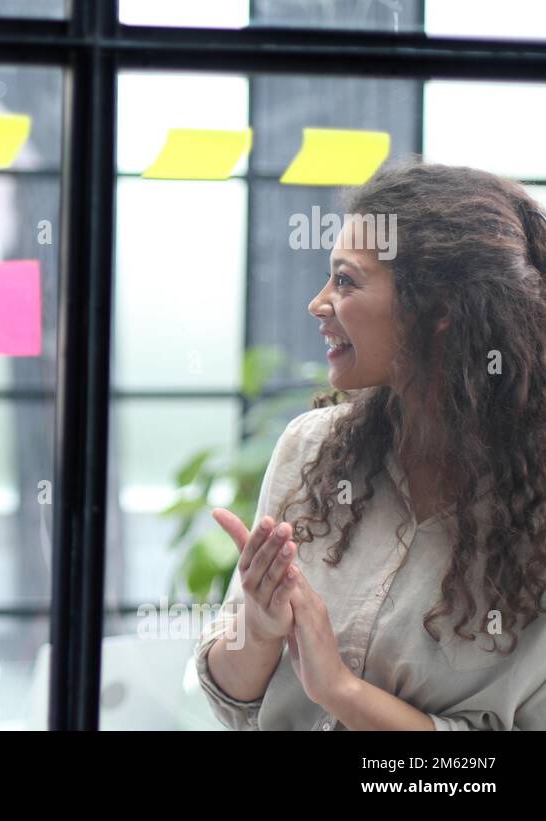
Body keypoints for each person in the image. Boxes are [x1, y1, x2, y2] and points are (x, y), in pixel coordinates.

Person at [197, 161, 546, 730]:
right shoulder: (310, 450)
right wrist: (258, 629)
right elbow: (233, 703)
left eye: (346, 280)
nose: (318, 303)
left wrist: (339, 690)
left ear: (438, 311)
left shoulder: (533, 515)